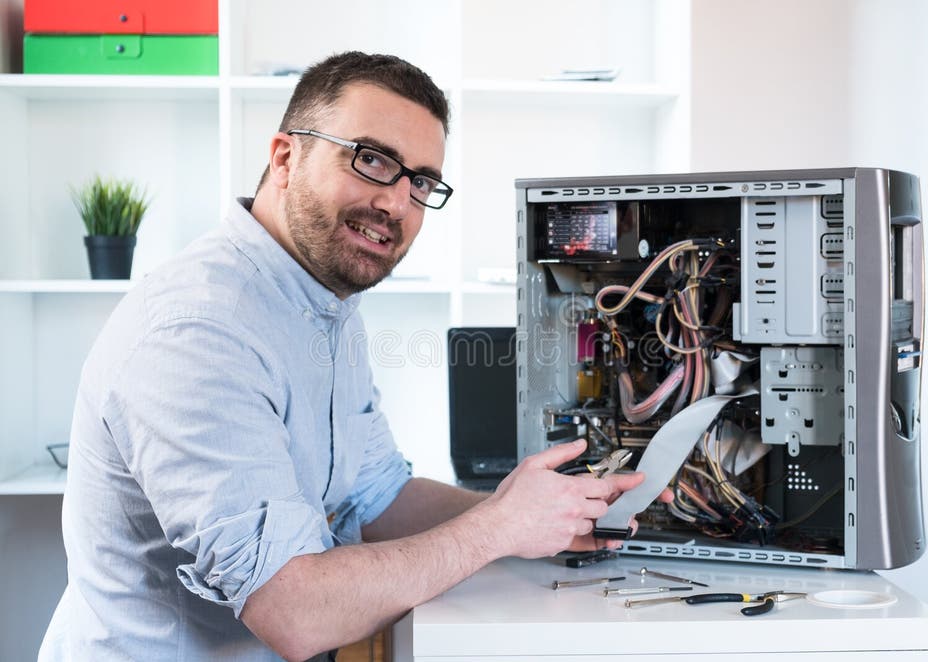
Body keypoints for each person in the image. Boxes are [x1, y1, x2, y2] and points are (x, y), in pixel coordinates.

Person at [40, 51, 657, 662]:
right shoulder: (198, 331)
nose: (397, 203)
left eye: (420, 182)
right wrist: (497, 529)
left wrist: (539, 519)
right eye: (371, 160)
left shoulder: (323, 301)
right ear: (285, 158)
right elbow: (293, 610)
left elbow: (378, 497)